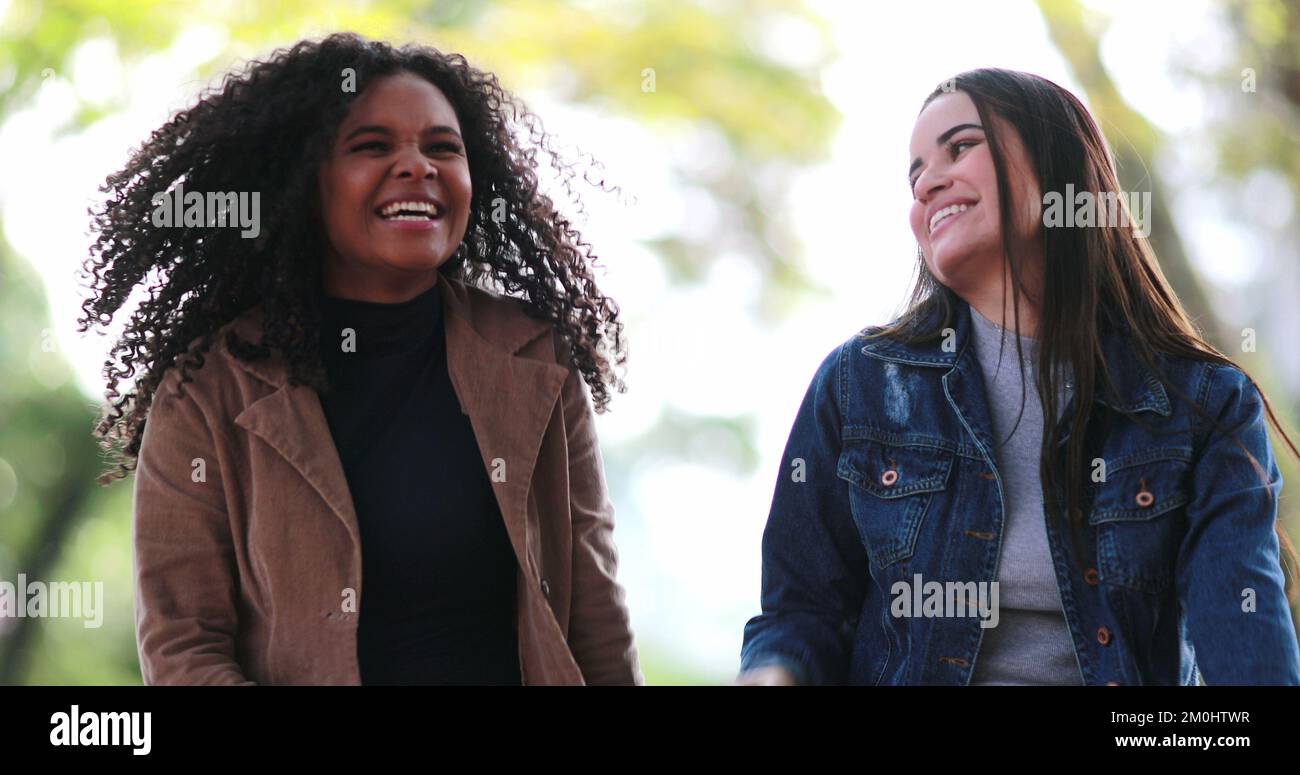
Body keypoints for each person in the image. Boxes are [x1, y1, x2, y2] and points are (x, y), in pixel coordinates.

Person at [81, 33, 641, 686]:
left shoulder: (537, 355)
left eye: (443, 147)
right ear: (304, 183)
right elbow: (185, 650)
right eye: (372, 146)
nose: (417, 166)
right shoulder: (208, 387)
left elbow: (596, 618)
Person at [738, 68, 1300, 686]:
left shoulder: (1203, 404)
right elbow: (801, 615)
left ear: (1058, 170)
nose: (928, 183)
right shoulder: (861, 385)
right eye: (915, 173)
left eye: (960, 147)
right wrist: (770, 676)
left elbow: (1247, 649)